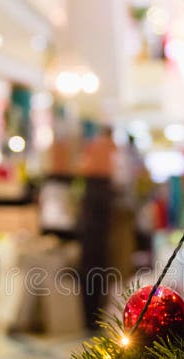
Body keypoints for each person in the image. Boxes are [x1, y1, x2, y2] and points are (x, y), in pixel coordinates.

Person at [78, 125, 117, 330]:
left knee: (91, 262)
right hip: (101, 196)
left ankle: (89, 316)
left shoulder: (92, 147)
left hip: (93, 195)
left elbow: (81, 168)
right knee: (99, 262)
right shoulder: (111, 148)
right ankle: (94, 317)